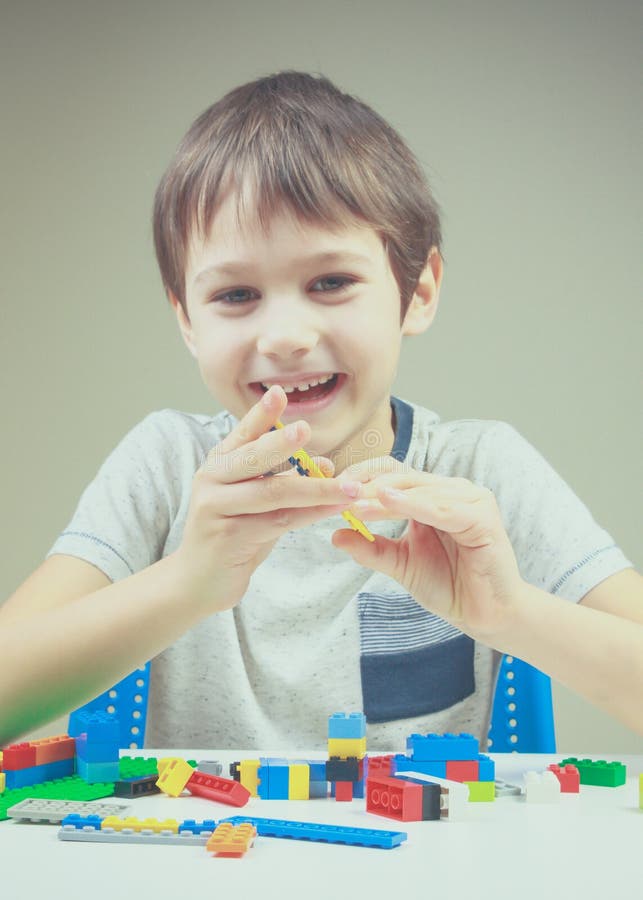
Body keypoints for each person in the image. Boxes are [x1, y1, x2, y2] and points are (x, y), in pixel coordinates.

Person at [1, 71, 641, 749]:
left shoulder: (478, 470)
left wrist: (512, 614)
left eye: (330, 282)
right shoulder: (164, 466)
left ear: (417, 292)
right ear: (186, 320)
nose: (282, 335)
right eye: (236, 295)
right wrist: (185, 583)